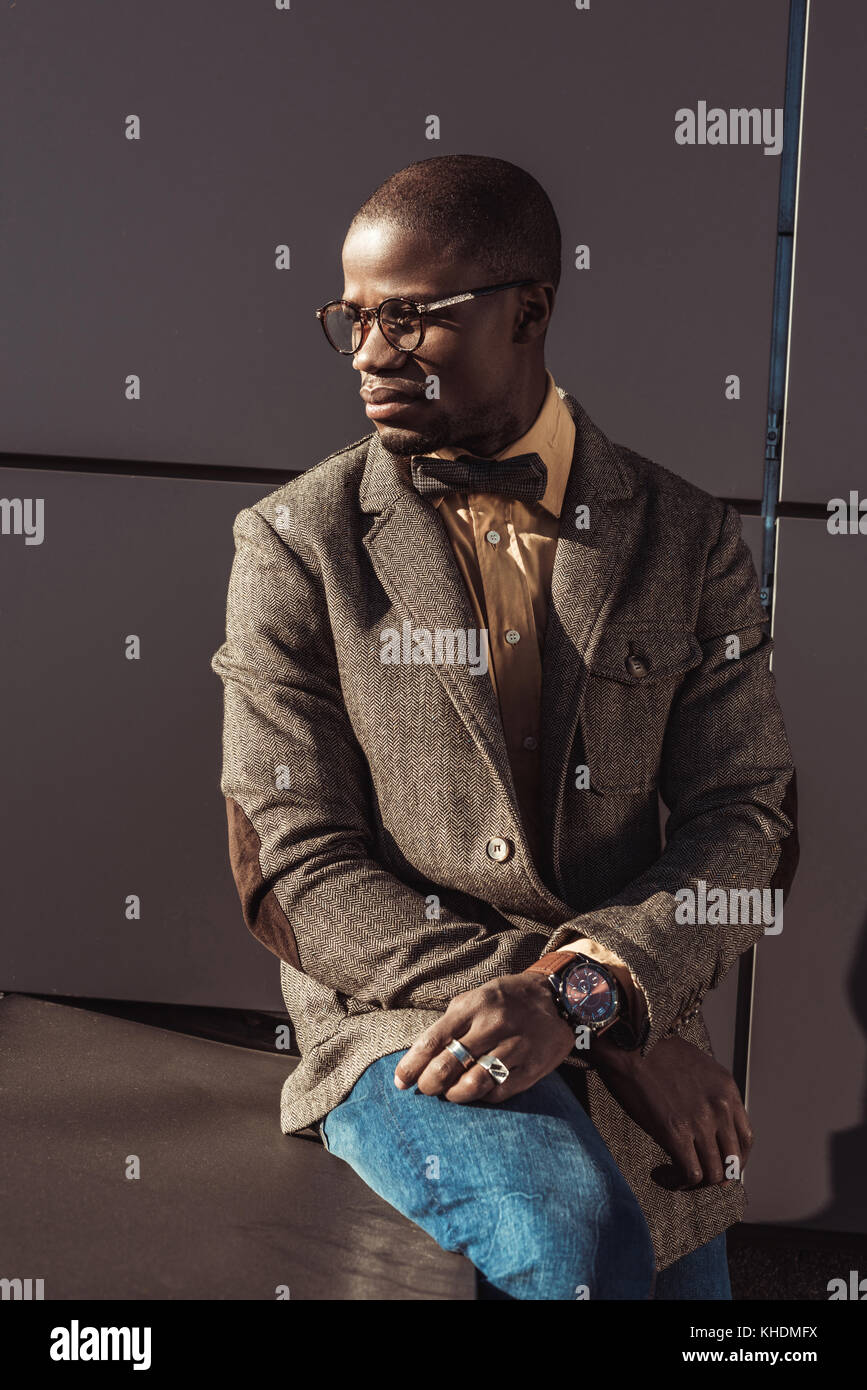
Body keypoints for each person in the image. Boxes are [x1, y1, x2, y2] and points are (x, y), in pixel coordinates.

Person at [211, 154, 798, 1300]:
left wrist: (589, 993)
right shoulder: (292, 542)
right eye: (354, 318)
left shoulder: (689, 537)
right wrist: (591, 1014)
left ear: (530, 308)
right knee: (569, 1232)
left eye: (412, 319)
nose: (372, 353)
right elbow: (291, 866)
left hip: (623, 1013)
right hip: (400, 1023)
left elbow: (751, 824)